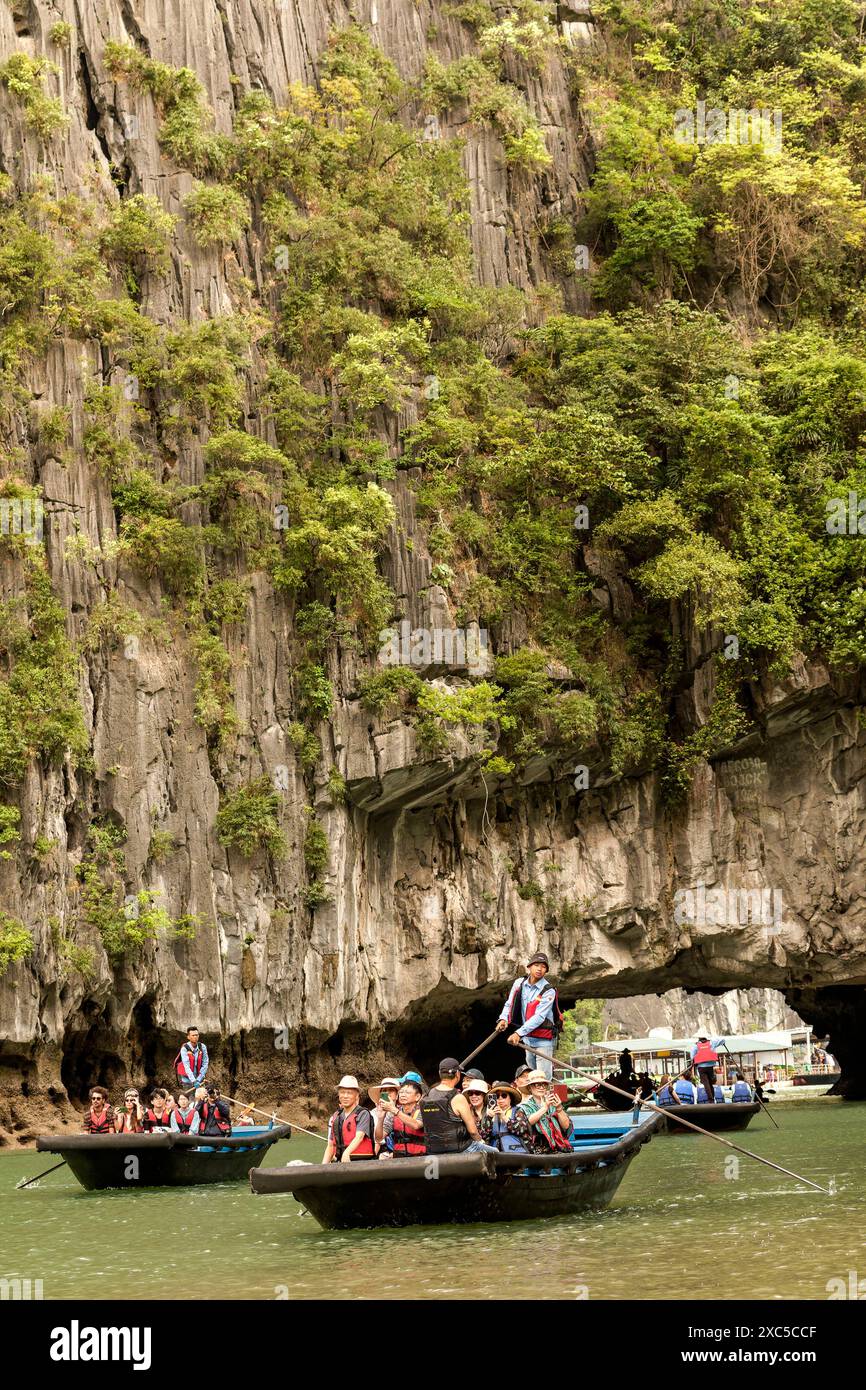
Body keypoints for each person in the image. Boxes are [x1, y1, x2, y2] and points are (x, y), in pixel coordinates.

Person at [496, 952, 564, 1081]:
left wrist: (518, 1033)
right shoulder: (519, 983)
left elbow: (539, 1017)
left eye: (543, 967)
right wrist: (503, 1018)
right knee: (533, 1077)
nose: (539, 969)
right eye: (536, 965)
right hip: (527, 1039)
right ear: (529, 967)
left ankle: (546, 1099)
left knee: (542, 1079)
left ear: (546, 970)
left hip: (543, 1041)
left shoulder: (549, 990)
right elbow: (510, 1003)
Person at [420, 1058, 496, 1154]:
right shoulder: (457, 1097)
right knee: (496, 1153)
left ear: (440, 1073)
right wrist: (480, 1141)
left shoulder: (426, 1096)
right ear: (457, 1074)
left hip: (433, 1150)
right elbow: (473, 1131)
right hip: (459, 1149)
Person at [509, 1070, 573, 1154]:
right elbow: (525, 1124)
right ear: (529, 1088)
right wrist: (545, 1108)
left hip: (559, 1150)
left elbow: (566, 1126)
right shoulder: (524, 1107)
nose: (541, 1087)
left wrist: (559, 1108)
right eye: (537, 1084)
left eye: (544, 1084)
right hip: (536, 1152)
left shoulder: (553, 1104)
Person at [323, 1076, 375, 1163]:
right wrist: (323, 1167)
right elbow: (330, 1145)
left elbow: (359, 1137)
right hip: (341, 1161)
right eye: (342, 1092)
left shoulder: (363, 1114)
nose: (345, 1096)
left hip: (361, 1161)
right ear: (338, 1094)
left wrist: (346, 1153)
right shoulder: (336, 1116)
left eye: (349, 1093)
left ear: (357, 1095)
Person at [377, 1079, 426, 1159]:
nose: (403, 1095)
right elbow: (379, 1138)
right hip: (399, 1157)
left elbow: (416, 1125)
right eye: (401, 1092)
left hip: (421, 1157)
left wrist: (394, 1110)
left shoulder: (423, 1110)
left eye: (407, 1092)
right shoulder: (391, 1114)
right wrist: (380, 1118)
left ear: (417, 1097)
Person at [488, 1081, 527, 1151]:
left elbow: (522, 1129)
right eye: (497, 1096)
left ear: (510, 1098)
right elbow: (483, 1135)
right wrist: (489, 1118)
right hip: (495, 1154)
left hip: (515, 1153)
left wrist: (504, 1117)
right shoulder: (491, 1113)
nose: (500, 1098)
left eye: (504, 1095)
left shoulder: (518, 1111)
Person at [370, 1077, 401, 1154]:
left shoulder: (402, 1112)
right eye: (384, 1091)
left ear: (397, 1095)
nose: (387, 1093)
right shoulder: (372, 1113)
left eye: (391, 1090)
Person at [174, 1026, 209, 1093]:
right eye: (193, 1035)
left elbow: (205, 1063)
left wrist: (198, 1079)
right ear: (188, 1037)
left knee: (201, 1100)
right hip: (187, 1081)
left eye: (197, 1035)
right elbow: (186, 1066)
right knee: (190, 1101)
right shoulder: (184, 1048)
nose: (195, 1037)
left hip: (200, 1080)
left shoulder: (202, 1047)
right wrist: (194, 1081)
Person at [691, 1035, 724, 1103]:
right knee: (710, 1083)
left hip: (701, 1067)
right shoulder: (711, 1043)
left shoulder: (696, 1046)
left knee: (706, 1083)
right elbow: (722, 1040)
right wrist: (722, 1042)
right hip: (710, 1066)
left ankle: (711, 1100)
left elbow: (692, 1056)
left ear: (699, 1039)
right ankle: (712, 1098)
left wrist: (694, 1062)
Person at [463, 1077, 493, 1144]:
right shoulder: (465, 1112)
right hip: (472, 1151)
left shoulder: (492, 1110)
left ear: (484, 1095)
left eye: (477, 1093)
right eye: (470, 1093)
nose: (473, 1096)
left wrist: (491, 1118)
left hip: (492, 1150)